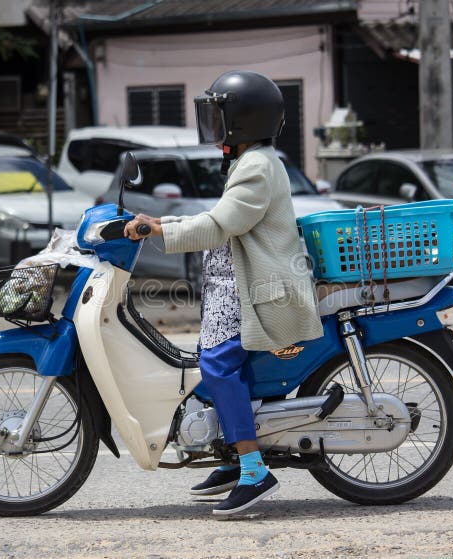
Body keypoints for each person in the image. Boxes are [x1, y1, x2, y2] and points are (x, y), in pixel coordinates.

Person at [125, 70, 323, 516]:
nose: (213, 127)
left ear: (243, 121)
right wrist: (163, 223)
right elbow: (222, 216)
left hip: (254, 287)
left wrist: (158, 229)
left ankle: (253, 470)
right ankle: (234, 455)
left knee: (216, 364)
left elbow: (221, 225)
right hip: (232, 287)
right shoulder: (249, 161)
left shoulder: (257, 166)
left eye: (220, 117)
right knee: (210, 364)